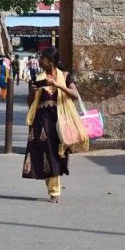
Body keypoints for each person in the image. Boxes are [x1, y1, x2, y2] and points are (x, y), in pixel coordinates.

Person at [22, 48, 89, 202]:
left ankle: (54, 189)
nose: (39, 61)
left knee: (56, 153)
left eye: (42, 59)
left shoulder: (65, 76)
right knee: (44, 152)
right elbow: (30, 102)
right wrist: (32, 92)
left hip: (60, 120)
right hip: (41, 121)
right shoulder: (38, 77)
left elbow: (74, 95)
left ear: (50, 62)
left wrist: (57, 85)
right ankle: (53, 190)